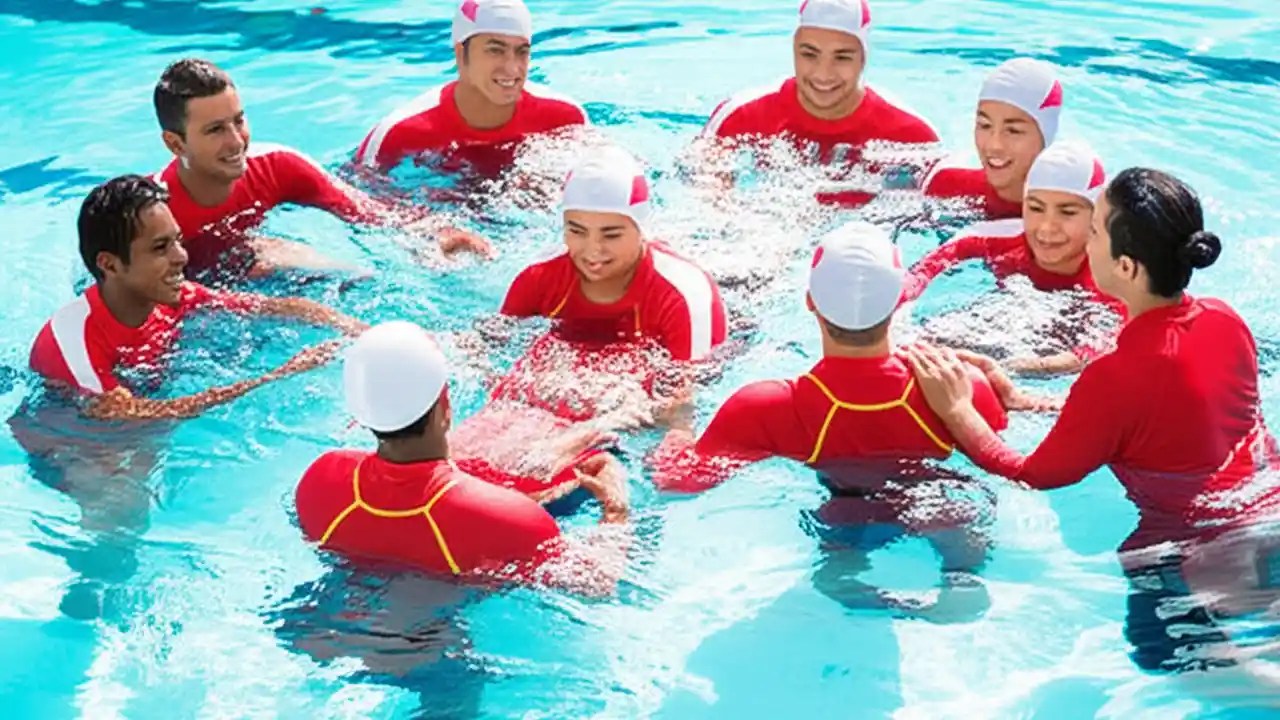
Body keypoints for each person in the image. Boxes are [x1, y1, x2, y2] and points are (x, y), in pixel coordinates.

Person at [905, 167, 1280, 672]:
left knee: (1159, 652)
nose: (1085, 242)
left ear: (1126, 267)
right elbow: (1166, 417)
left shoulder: (1114, 375)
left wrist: (957, 411)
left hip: (1198, 549)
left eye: (1096, 230)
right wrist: (1022, 398)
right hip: (1268, 512)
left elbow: (1032, 473)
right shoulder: (1224, 318)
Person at [647, 221, 1030, 622]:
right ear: (900, 299)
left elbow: (677, 482)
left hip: (847, 512)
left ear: (810, 301)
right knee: (948, 512)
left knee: (840, 532)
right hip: (940, 499)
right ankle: (962, 574)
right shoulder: (958, 387)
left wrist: (678, 425)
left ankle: (845, 578)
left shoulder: (770, 407)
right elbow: (1005, 452)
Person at [295, 321, 631, 596]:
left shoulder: (320, 480)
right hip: (444, 669)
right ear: (445, 408)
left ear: (360, 413)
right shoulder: (511, 520)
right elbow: (598, 584)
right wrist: (615, 511)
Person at [27, 175, 365, 421]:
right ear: (110, 264)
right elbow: (126, 416)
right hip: (63, 432)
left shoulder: (169, 297)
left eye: (177, 241)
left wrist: (355, 328)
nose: (181, 258)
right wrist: (276, 376)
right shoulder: (75, 341)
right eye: (160, 248)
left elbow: (267, 307)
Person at [152, 58, 490, 280]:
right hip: (198, 289)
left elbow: (368, 212)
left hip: (252, 266)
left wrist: (437, 231)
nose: (236, 141)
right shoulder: (148, 213)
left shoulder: (276, 166)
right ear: (175, 144)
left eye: (238, 120)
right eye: (214, 130)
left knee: (353, 275)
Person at [493, 146, 728, 422]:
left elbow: (683, 409)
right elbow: (493, 355)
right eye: (577, 231)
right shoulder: (539, 278)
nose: (593, 251)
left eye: (612, 235)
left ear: (641, 229)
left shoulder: (684, 295)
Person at [903, 140, 1121, 374]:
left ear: (1096, 217)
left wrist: (1035, 367)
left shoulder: (1111, 275)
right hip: (1014, 315)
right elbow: (926, 268)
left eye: (1067, 212)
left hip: (1061, 343)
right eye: (1036, 209)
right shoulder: (1001, 239)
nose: (1047, 227)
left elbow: (1112, 341)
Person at [697, 0, 938, 205]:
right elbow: (706, 203)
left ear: (864, 57)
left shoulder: (912, 135)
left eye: (842, 57)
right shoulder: (740, 116)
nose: (823, 74)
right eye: (809, 54)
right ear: (794, 49)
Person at [354, 0, 589, 174]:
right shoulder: (398, 133)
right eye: (494, 50)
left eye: (522, 52)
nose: (512, 68)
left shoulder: (566, 117)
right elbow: (360, 203)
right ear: (460, 55)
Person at [922, 58, 1063, 222]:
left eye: (1013, 131)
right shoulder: (947, 187)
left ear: (1045, 137)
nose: (994, 145)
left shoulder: (1077, 218)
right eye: (985, 125)